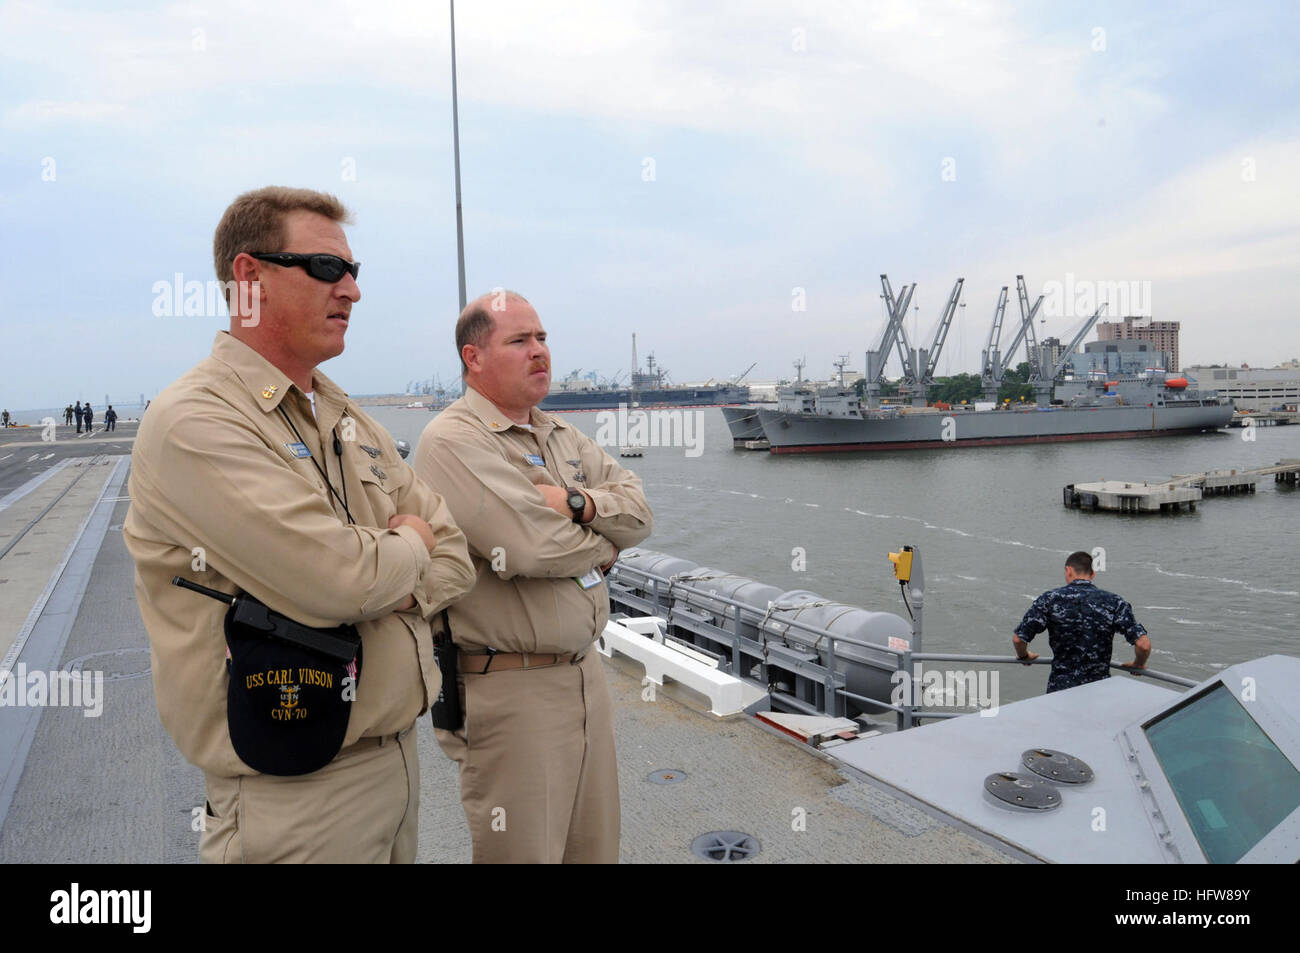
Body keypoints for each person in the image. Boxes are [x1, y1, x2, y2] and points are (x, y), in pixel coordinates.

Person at [123, 186, 476, 863]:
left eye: (354, 271)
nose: (351, 290)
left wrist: (393, 572)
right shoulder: (195, 420)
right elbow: (338, 579)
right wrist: (408, 544)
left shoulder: (342, 411)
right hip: (295, 797)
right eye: (326, 268)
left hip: (396, 766)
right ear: (250, 278)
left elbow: (453, 548)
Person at [415, 290, 653, 863]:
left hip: (583, 674)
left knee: (593, 850)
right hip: (510, 688)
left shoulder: (559, 435)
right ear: (473, 358)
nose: (539, 351)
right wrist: (601, 544)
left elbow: (641, 513)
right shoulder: (451, 441)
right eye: (519, 341)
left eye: (542, 338)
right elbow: (526, 548)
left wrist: (575, 503)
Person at [1012, 551, 1151, 693]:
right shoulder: (1114, 602)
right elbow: (1143, 645)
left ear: (1068, 570)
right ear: (1093, 574)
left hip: (1061, 689)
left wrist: (1024, 656)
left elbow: (1019, 639)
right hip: (1099, 689)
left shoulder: (1049, 599)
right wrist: (1138, 664)